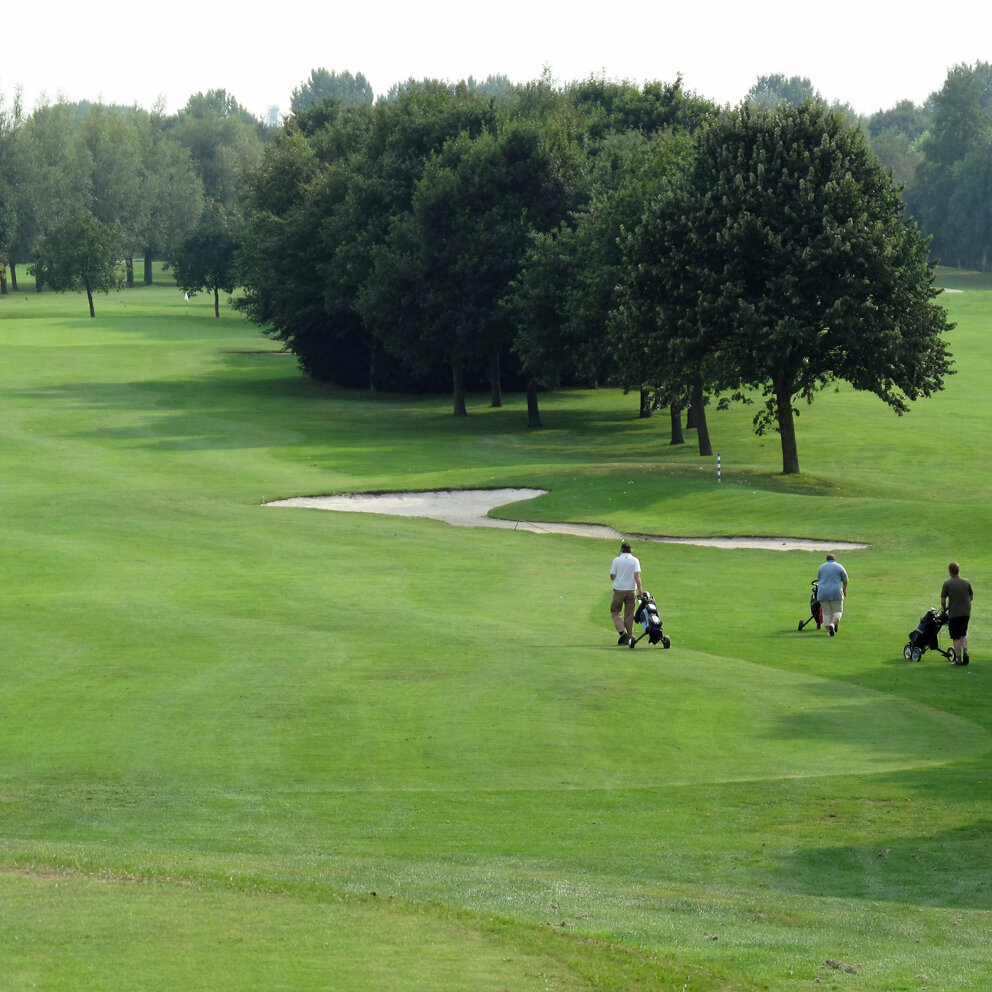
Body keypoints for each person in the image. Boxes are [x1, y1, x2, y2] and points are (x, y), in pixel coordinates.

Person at [940, 561, 973, 665]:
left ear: (950, 571)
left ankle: (958, 660)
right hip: (966, 613)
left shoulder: (947, 584)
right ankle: (966, 653)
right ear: (958, 570)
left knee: (955, 637)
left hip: (954, 614)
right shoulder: (966, 582)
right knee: (963, 634)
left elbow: (943, 601)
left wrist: (945, 608)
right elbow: (971, 597)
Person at [610, 541, 642, 646]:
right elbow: (637, 576)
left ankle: (623, 631)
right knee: (629, 615)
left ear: (622, 550)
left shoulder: (616, 560)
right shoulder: (635, 560)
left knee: (615, 611)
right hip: (631, 590)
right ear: (630, 550)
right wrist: (640, 591)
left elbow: (612, 577)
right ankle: (628, 639)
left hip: (619, 590)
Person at [816, 553, 848, 637]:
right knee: (838, 611)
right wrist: (844, 590)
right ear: (835, 559)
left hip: (822, 592)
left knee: (826, 613)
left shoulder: (821, 567)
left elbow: (819, 578)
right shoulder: (839, 566)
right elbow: (845, 579)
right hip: (835, 591)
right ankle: (833, 625)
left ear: (827, 560)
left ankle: (829, 632)